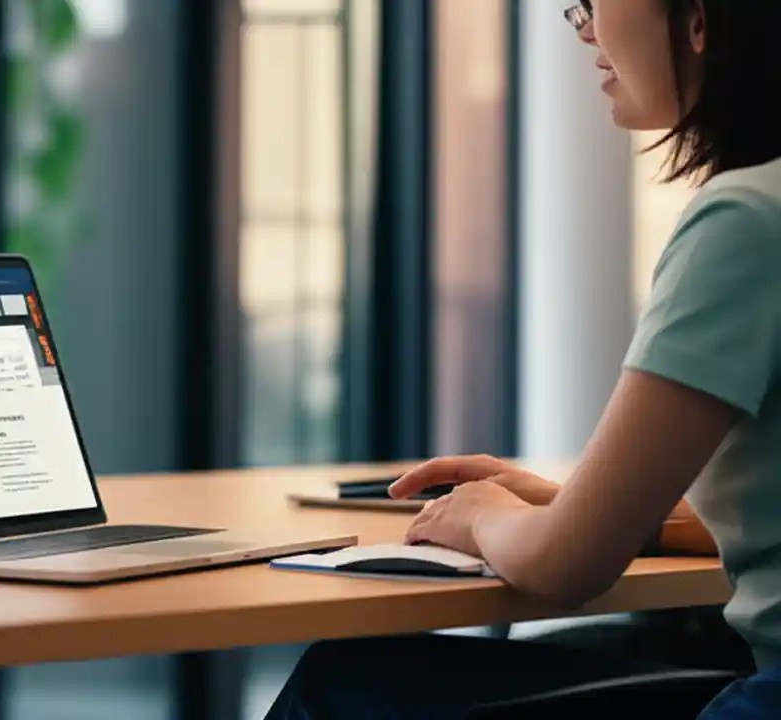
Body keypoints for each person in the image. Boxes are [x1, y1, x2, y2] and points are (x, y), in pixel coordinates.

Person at [268, 1, 781, 717]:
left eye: (598, 3)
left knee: (343, 689)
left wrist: (486, 517)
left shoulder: (745, 222)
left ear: (700, 20)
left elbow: (566, 566)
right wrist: (574, 505)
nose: (584, 26)